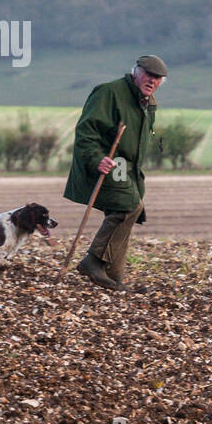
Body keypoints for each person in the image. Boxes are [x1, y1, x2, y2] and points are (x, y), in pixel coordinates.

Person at [63, 54, 166, 291]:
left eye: (158, 78)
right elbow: (86, 132)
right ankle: (93, 261)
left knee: (128, 211)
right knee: (129, 206)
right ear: (136, 71)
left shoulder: (149, 103)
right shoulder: (108, 93)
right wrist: (96, 158)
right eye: (149, 75)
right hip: (110, 162)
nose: (153, 81)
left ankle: (114, 278)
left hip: (129, 168)